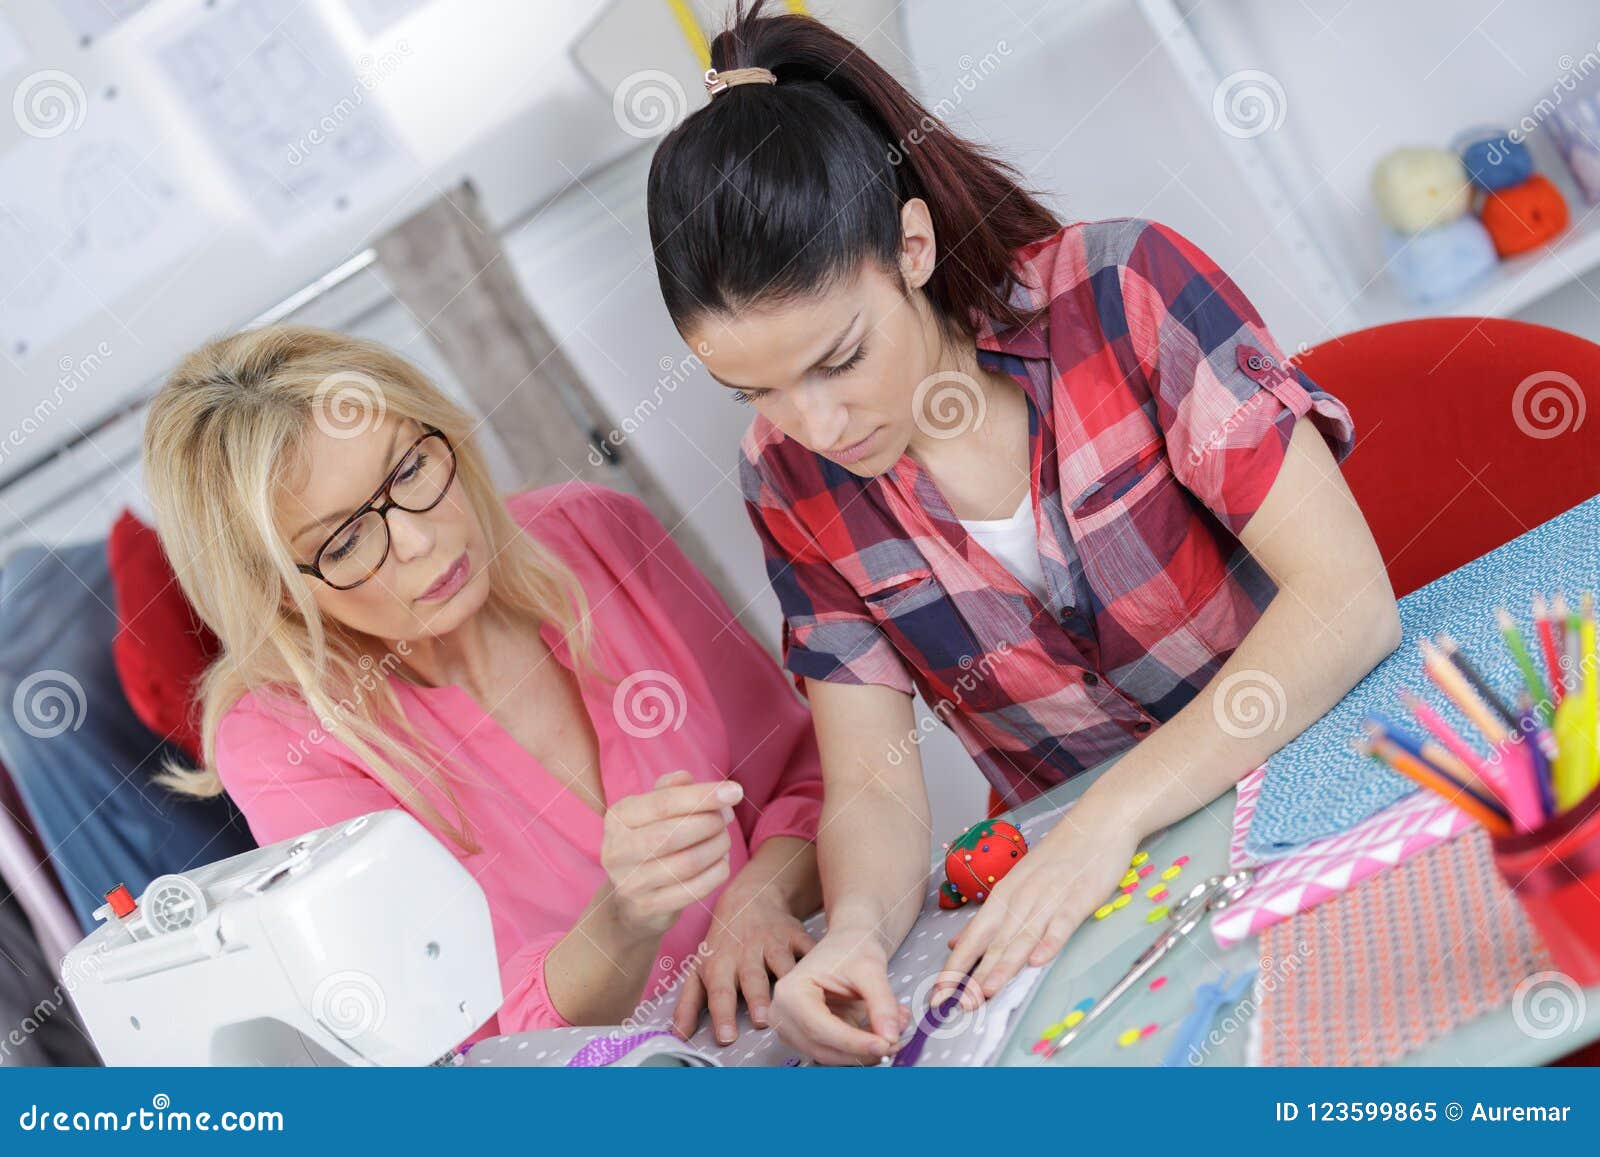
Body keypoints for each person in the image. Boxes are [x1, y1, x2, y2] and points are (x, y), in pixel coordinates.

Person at [645, 2, 1400, 1065]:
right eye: (752, 388)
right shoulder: (785, 480)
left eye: (837, 358)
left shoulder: (1120, 291)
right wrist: (855, 931)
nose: (815, 423)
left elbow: (1345, 603)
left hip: (1330, 771)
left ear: (909, 246)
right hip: (1107, 905)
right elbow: (872, 779)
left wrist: (1107, 817)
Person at [141, 325, 823, 1048]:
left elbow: (813, 782)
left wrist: (759, 894)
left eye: (408, 471)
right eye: (343, 542)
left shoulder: (597, 532)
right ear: (277, 591)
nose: (417, 539)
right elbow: (464, 1039)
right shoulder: (284, 743)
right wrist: (625, 917)